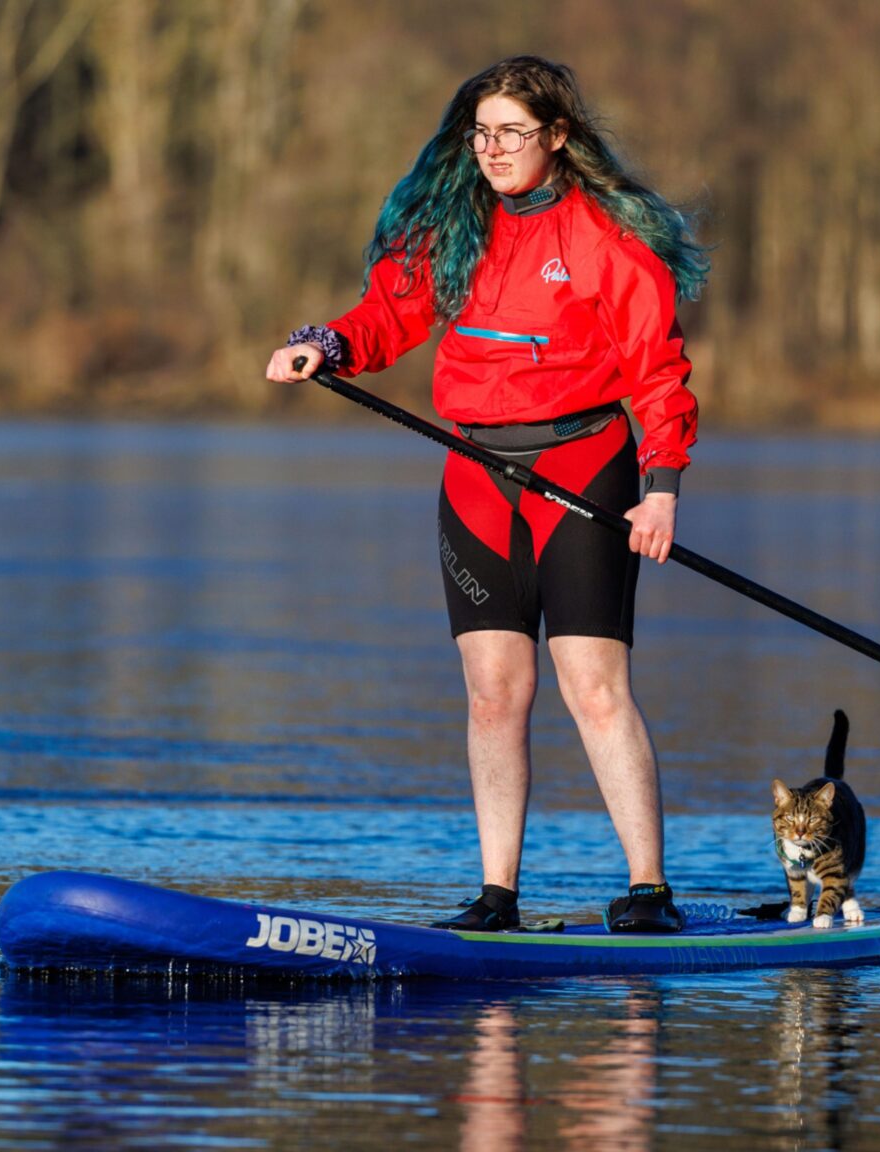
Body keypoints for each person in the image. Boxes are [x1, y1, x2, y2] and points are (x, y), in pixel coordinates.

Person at [265, 55, 706, 933]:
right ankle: (498, 897)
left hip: (583, 472)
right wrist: (325, 343)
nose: (493, 149)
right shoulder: (454, 232)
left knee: (594, 686)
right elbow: (384, 316)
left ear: (557, 137)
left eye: (511, 132)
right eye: (481, 133)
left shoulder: (603, 239)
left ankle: (648, 890)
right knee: (493, 692)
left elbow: (659, 374)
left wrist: (659, 491)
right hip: (476, 476)